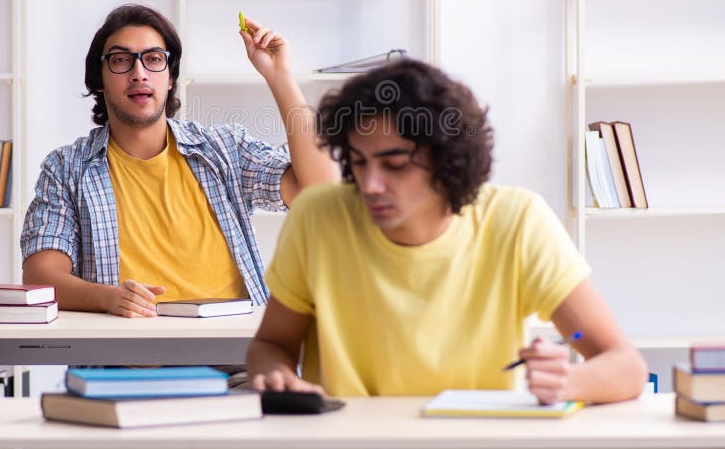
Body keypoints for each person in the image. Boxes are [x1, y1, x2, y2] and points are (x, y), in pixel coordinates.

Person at [247, 58, 647, 403]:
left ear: (446, 160)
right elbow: (272, 345)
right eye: (359, 162)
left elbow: (625, 365)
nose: (370, 184)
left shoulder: (516, 220)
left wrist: (569, 382)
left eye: (395, 164)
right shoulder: (319, 215)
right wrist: (277, 375)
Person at [21, 4, 337, 318]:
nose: (139, 73)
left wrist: (279, 77)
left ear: (171, 78)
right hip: (123, 359)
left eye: (154, 59)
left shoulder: (223, 149)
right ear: (99, 80)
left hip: (232, 356)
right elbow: (40, 278)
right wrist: (107, 298)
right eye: (120, 61)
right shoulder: (66, 168)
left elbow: (320, 193)